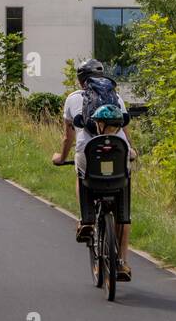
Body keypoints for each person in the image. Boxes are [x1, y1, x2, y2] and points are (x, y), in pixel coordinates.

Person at [52, 57, 137, 280]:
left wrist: (61, 157)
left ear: (81, 81)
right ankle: (122, 263)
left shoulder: (72, 99)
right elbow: (125, 130)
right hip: (119, 153)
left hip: (89, 153)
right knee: (122, 209)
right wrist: (131, 150)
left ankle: (87, 219)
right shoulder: (116, 97)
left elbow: (68, 136)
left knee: (81, 174)